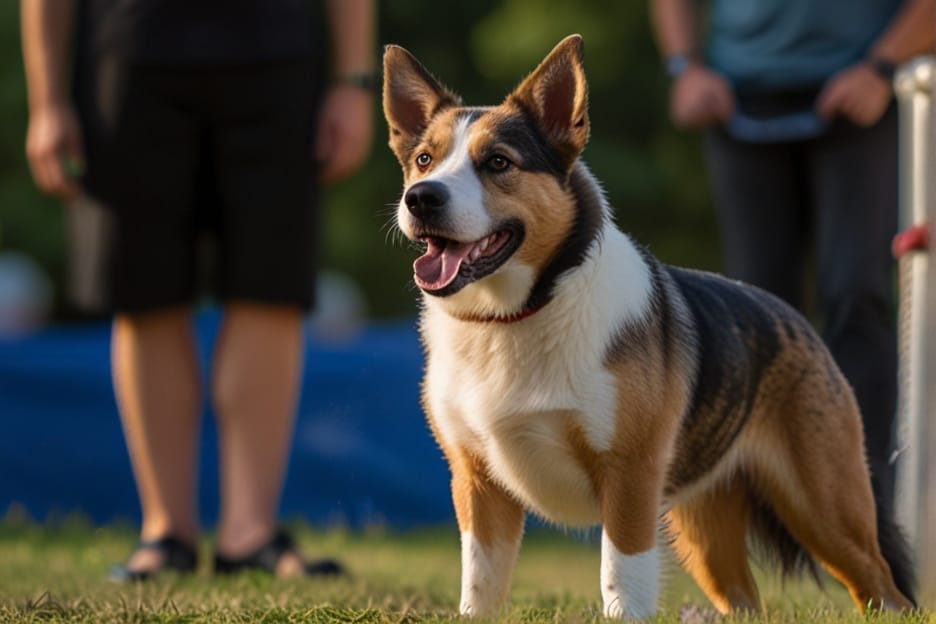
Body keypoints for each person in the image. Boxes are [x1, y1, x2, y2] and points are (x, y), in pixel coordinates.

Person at [21, 0, 376, 580]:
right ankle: (166, 534)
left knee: (270, 289)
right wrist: (48, 101)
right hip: (128, 55)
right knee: (145, 296)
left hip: (277, 56)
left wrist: (353, 82)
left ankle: (250, 534)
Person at [651, 0, 936, 521]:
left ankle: (863, 506)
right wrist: (685, 67)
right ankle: (770, 508)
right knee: (751, 309)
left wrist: (881, 66)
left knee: (855, 296)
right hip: (737, 101)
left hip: (863, 93)